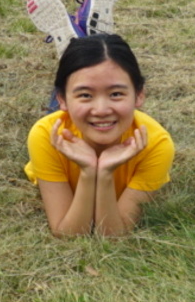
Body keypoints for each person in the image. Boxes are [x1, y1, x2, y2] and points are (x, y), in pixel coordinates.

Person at [23, 34, 175, 236]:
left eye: (116, 94)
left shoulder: (156, 144)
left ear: (139, 95)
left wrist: (104, 173)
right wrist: (88, 171)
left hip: (80, 118)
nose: (101, 110)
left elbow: (112, 235)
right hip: (66, 120)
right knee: (60, 118)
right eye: (85, 95)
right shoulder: (46, 136)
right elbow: (67, 233)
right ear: (62, 99)